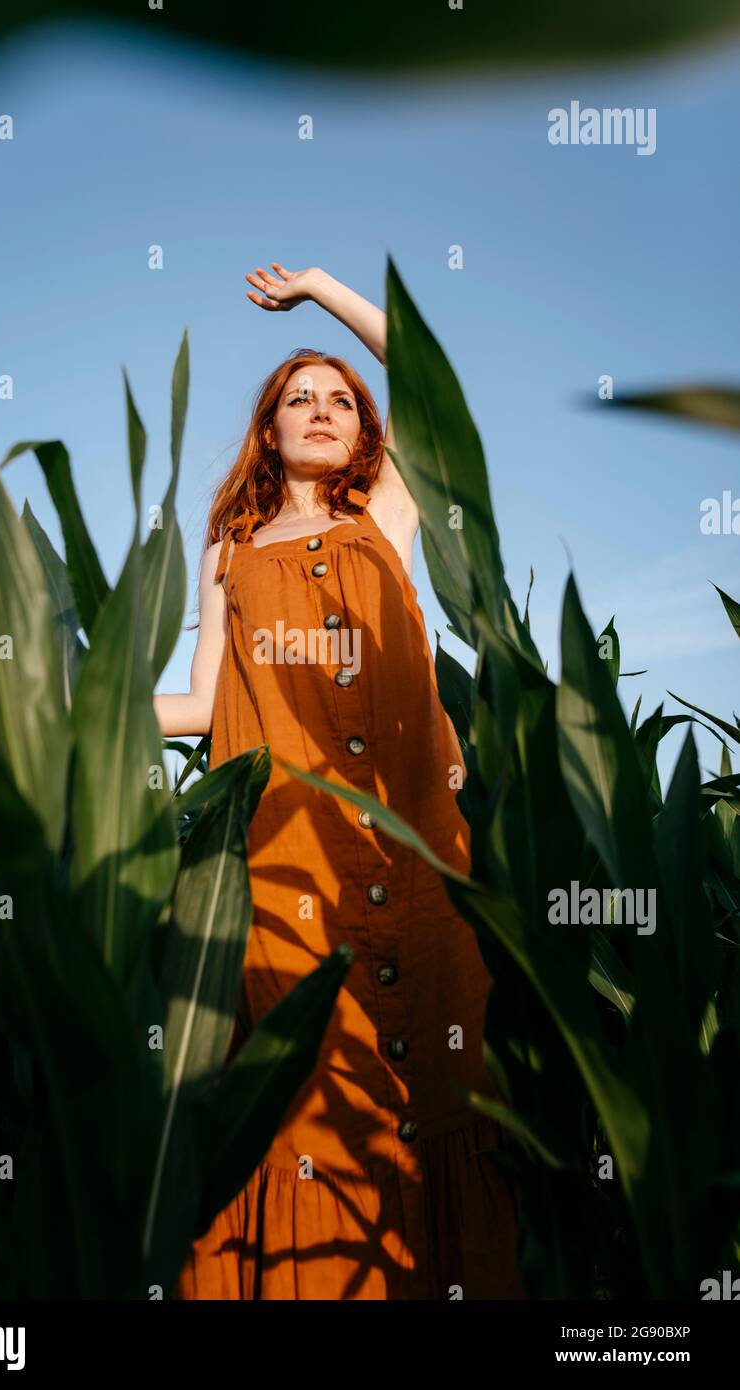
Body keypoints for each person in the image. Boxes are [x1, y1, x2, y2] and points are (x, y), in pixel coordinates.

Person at [154, 264, 523, 1300]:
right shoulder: (228, 551)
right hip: (283, 856)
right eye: (296, 399)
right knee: (303, 1085)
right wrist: (67, 720)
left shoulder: (386, 519)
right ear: (265, 432)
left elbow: (427, 380)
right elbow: (201, 696)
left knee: (436, 1077)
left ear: (363, 431)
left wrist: (322, 290)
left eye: (340, 400)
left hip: (412, 847)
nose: (321, 410)